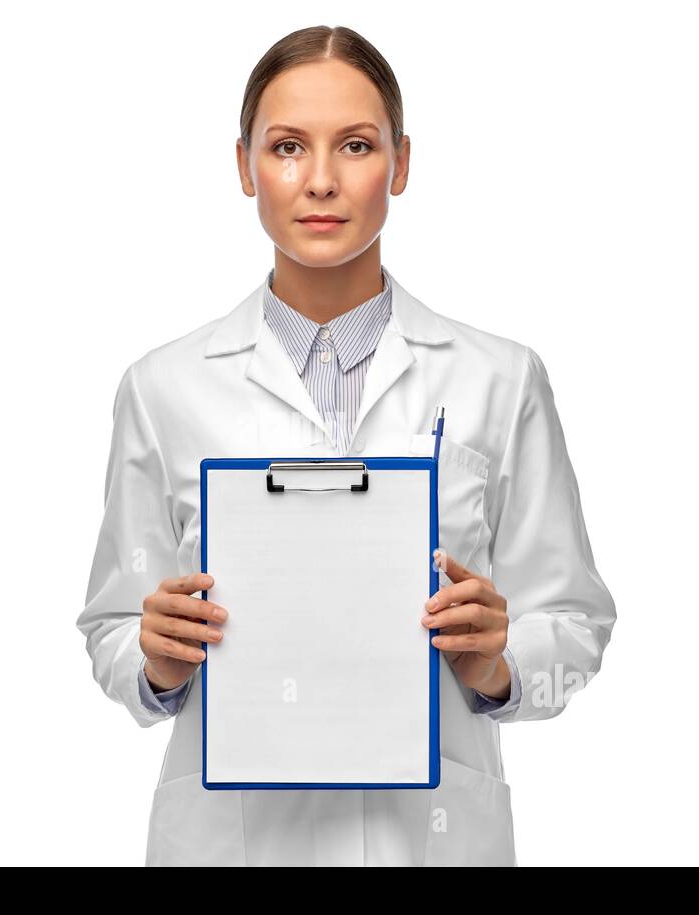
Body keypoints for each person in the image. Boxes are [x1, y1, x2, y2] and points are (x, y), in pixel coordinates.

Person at [76, 24, 617, 866]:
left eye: (356, 145)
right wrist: (154, 661)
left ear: (400, 164)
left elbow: (576, 624)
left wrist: (499, 665)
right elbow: (114, 629)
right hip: (234, 843)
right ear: (244, 165)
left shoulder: (500, 381)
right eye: (287, 146)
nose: (321, 180)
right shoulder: (164, 389)